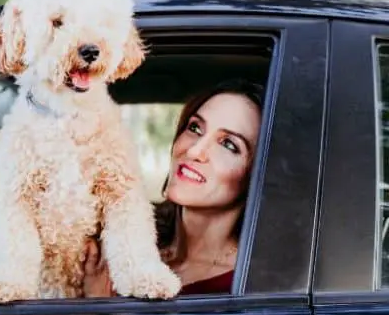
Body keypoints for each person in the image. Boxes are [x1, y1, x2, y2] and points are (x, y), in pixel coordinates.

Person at [83, 78, 265, 297]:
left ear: (256, 173)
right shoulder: (121, 241)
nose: (194, 151)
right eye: (195, 128)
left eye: (228, 144)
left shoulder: (251, 286)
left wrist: (99, 302)